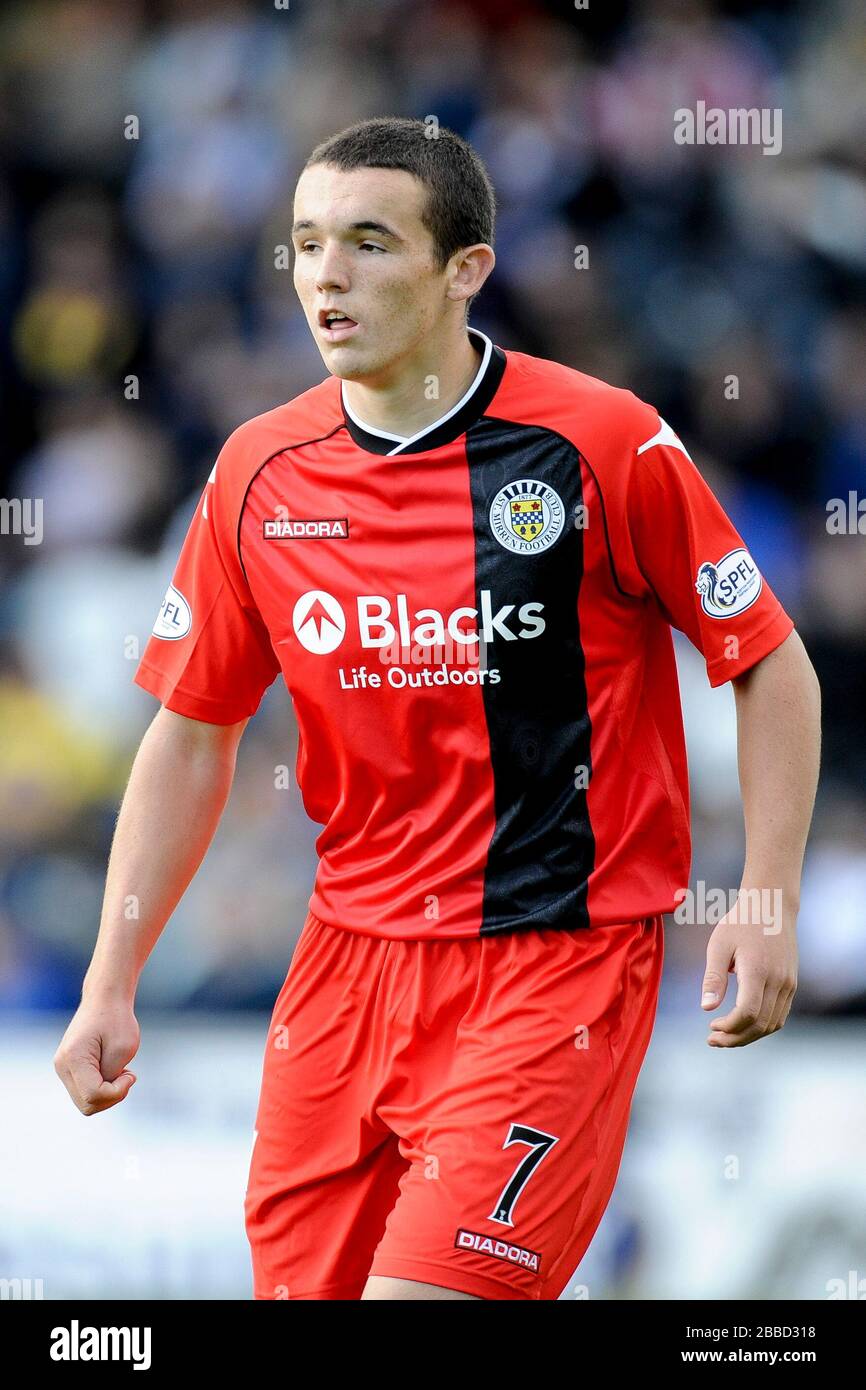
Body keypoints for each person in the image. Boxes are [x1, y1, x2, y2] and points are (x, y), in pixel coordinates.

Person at [54, 117, 821, 1301]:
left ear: (464, 269)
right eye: (307, 243)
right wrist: (112, 975)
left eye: (368, 241)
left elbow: (769, 663)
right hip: (343, 971)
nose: (327, 274)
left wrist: (764, 900)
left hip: (551, 964)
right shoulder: (257, 471)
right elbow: (192, 730)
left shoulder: (598, 442)